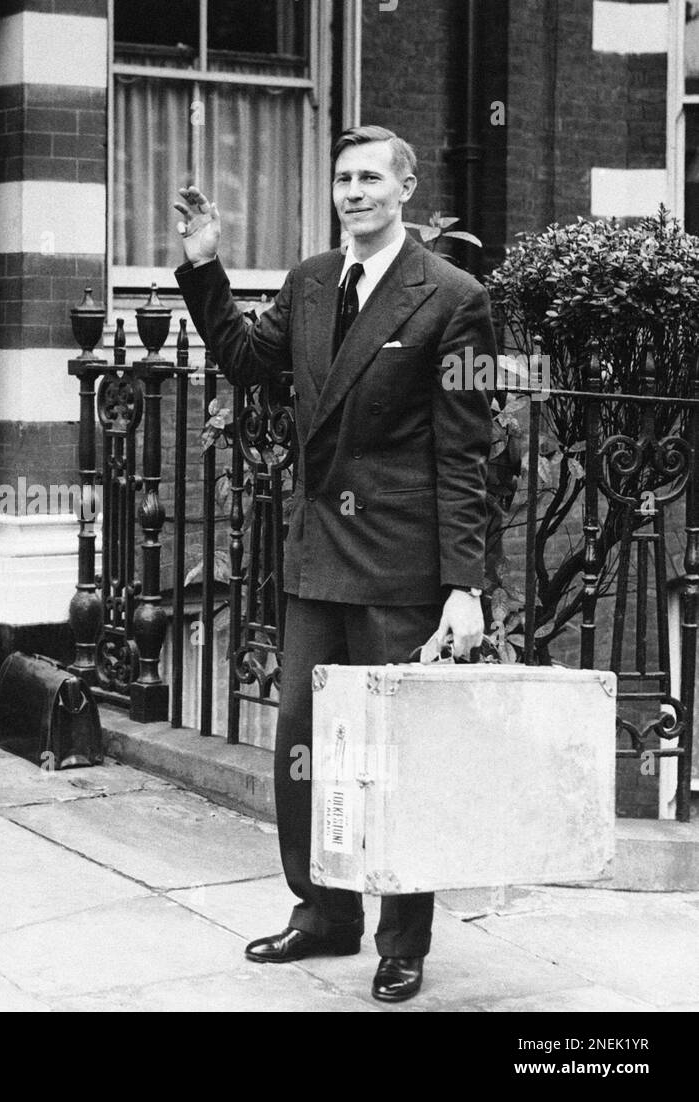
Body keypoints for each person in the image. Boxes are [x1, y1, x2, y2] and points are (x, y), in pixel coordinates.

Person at [173, 125, 494, 1002]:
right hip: (317, 556)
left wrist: (464, 586)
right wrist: (205, 267)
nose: (354, 192)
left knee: (393, 756)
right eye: (343, 178)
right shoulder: (314, 282)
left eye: (370, 179)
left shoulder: (454, 298)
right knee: (305, 748)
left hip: (400, 563)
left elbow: (466, 454)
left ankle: (403, 938)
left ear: (406, 190)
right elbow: (246, 361)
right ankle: (323, 913)